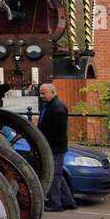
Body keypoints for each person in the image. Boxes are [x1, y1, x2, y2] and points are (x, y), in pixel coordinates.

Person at [38, 83, 77, 211]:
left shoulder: (57, 108)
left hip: (54, 147)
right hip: (54, 146)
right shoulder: (51, 106)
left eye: (44, 93)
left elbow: (58, 132)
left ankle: (56, 204)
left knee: (54, 175)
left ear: (53, 92)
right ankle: (68, 201)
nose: (41, 96)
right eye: (41, 93)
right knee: (58, 174)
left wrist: (46, 145)